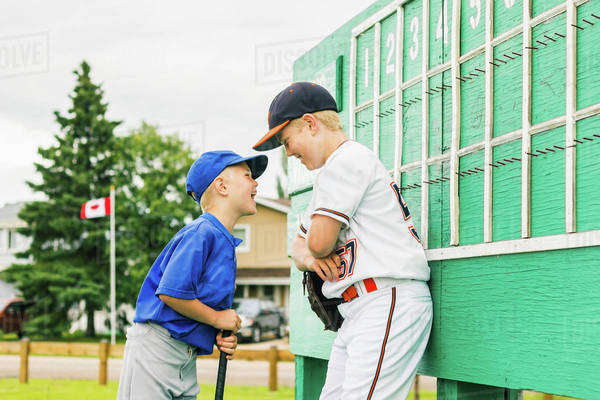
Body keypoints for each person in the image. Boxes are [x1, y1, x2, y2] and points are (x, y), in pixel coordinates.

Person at [253, 82, 432, 400]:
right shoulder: (331, 173)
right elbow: (298, 249)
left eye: (287, 140)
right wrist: (310, 259)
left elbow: (319, 242)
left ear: (310, 124)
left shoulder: (347, 160)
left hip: (386, 297)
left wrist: (315, 251)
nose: (289, 152)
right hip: (360, 308)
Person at [117, 150, 268, 400]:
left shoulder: (222, 240)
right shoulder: (201, 232)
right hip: (157, 347)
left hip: (183, 354)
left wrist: (218, 332)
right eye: (247, 176)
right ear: (221, 186)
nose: (255, 183)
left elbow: (201, 306)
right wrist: (218, 319)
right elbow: (171, 293)